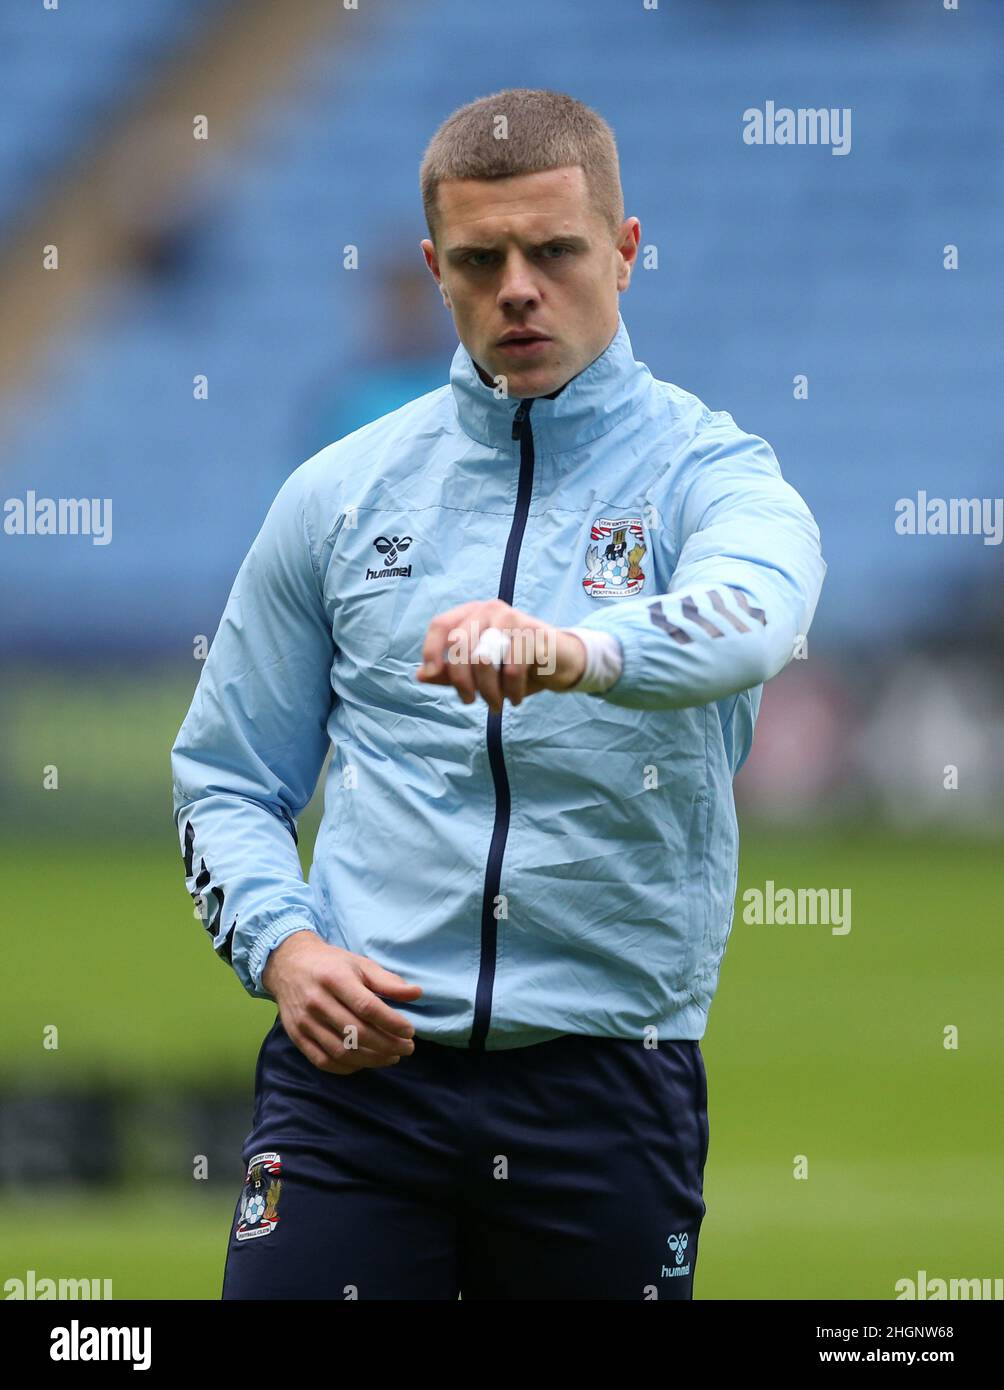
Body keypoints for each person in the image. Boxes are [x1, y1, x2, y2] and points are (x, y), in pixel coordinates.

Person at [170, 86, 826, 1300]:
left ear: (624, 254)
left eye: (554, 250)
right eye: (480, 260)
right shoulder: (339, 493)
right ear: (435, 269)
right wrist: (284, 946)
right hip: (357, 1083)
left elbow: (753, 620)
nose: (517, 286)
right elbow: (224, 776)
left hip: (603, 1084)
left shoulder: (711, 473)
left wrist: (567, 650)